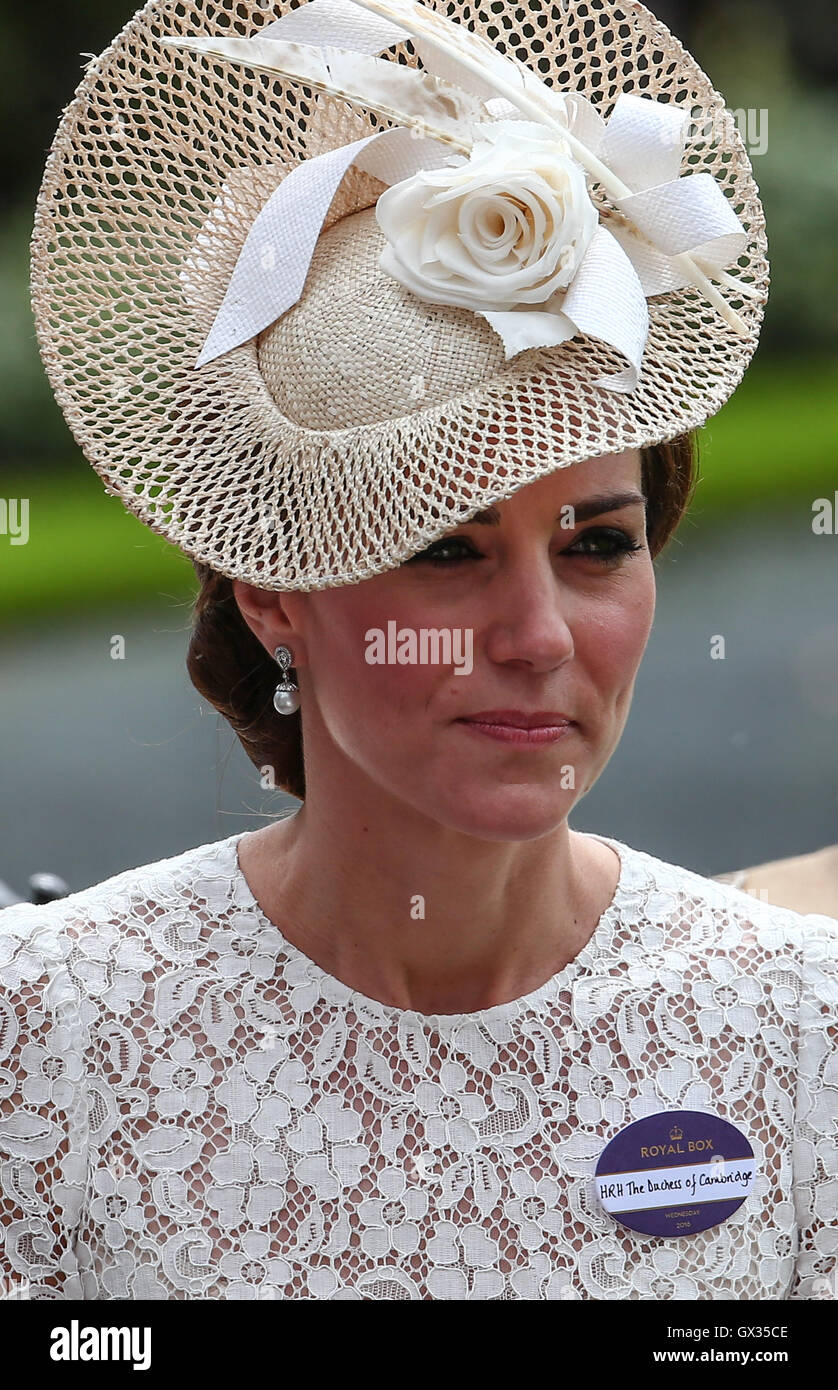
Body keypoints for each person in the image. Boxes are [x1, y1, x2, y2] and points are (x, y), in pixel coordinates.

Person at [2, 0, 835, 1302]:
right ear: (272, 589)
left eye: (596, 543)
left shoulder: (801, 1028)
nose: (539, 634)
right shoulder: (42, 1028)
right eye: (446, 549)